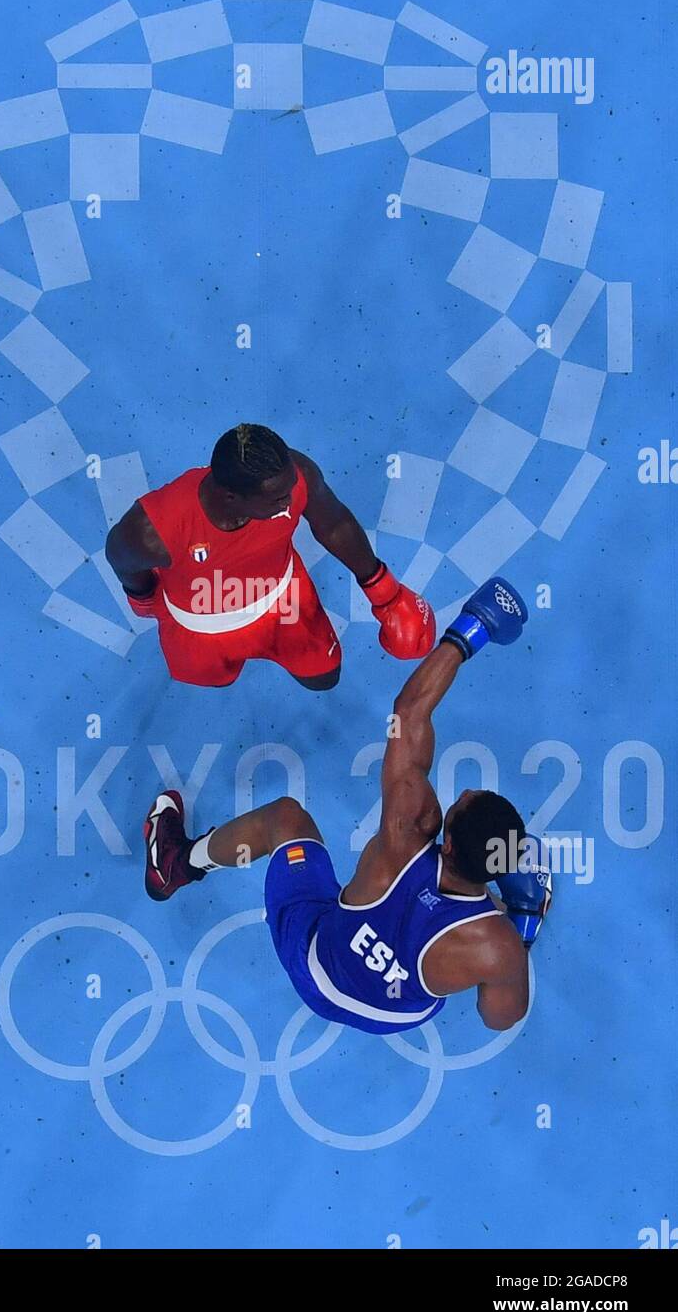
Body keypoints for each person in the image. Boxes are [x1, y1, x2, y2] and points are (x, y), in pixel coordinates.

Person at [143, 578, 551, 1035]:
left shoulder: (406, 826)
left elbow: (410, 711)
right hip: (394, 1015)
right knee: (493, 928)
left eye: (458, 805)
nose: (459, 796)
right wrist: (520, 933)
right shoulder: (497, 946)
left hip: (315, 961)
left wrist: (471, 629)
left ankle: (177, 863)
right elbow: (500, 1018)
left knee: (286, 818)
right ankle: (524, 909)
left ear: (447, 841)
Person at [105, 423, 434, 690]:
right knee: (216, 683)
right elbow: (120, 558)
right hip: (200, 627)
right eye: (279, 498)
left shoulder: (295, 475)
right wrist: (144, 596)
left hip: (285, 603)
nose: (291, 501)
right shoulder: (151, 531)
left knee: (324, 679)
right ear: (232, 498)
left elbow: (333, 524)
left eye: (290, 488)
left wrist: (384, 592)